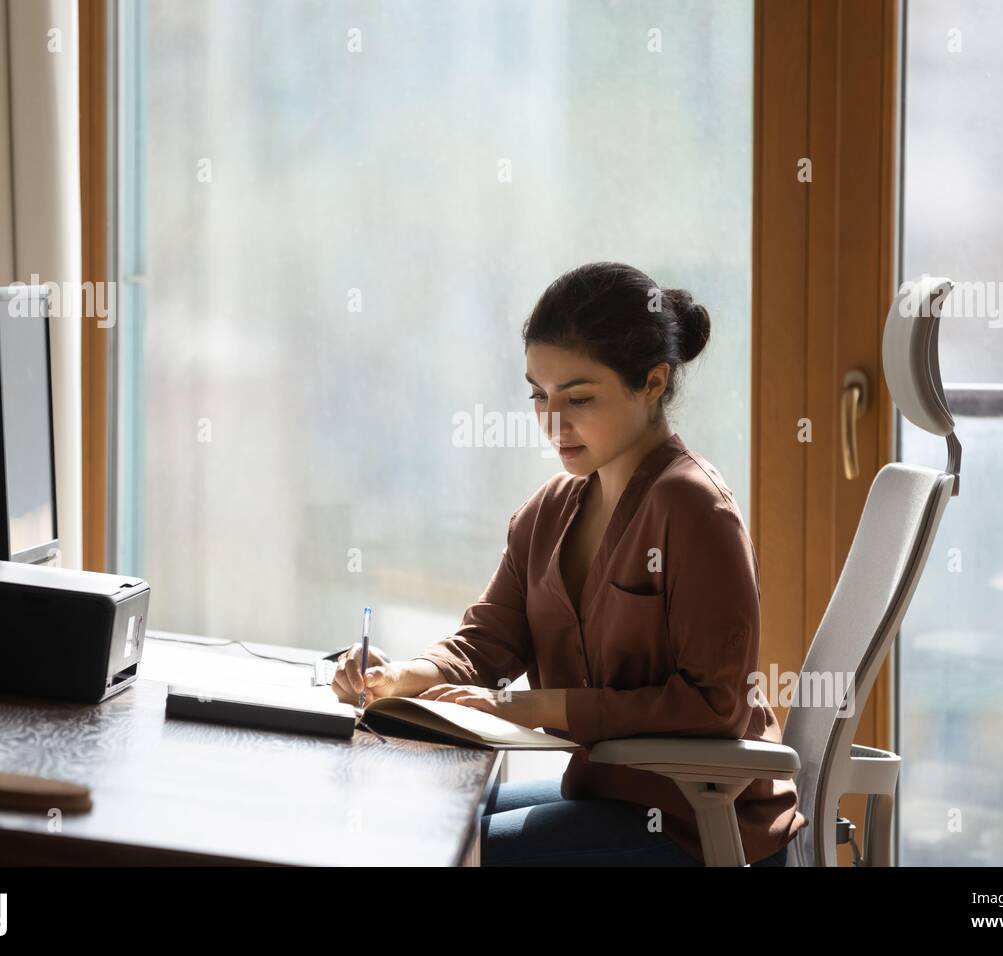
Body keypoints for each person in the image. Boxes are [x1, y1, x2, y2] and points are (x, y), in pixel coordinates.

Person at [332, 261, 807, 865]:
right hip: (608, 799)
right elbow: (486, 644)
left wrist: (535, 707)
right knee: (411, 819)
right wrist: (401, 677)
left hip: (701, 827)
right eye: (538, 394)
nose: (552, 421)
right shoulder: (549, 510)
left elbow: (714, 705)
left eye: (579, 397)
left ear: (653, 383)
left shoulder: (693, 509)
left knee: (444, 851)